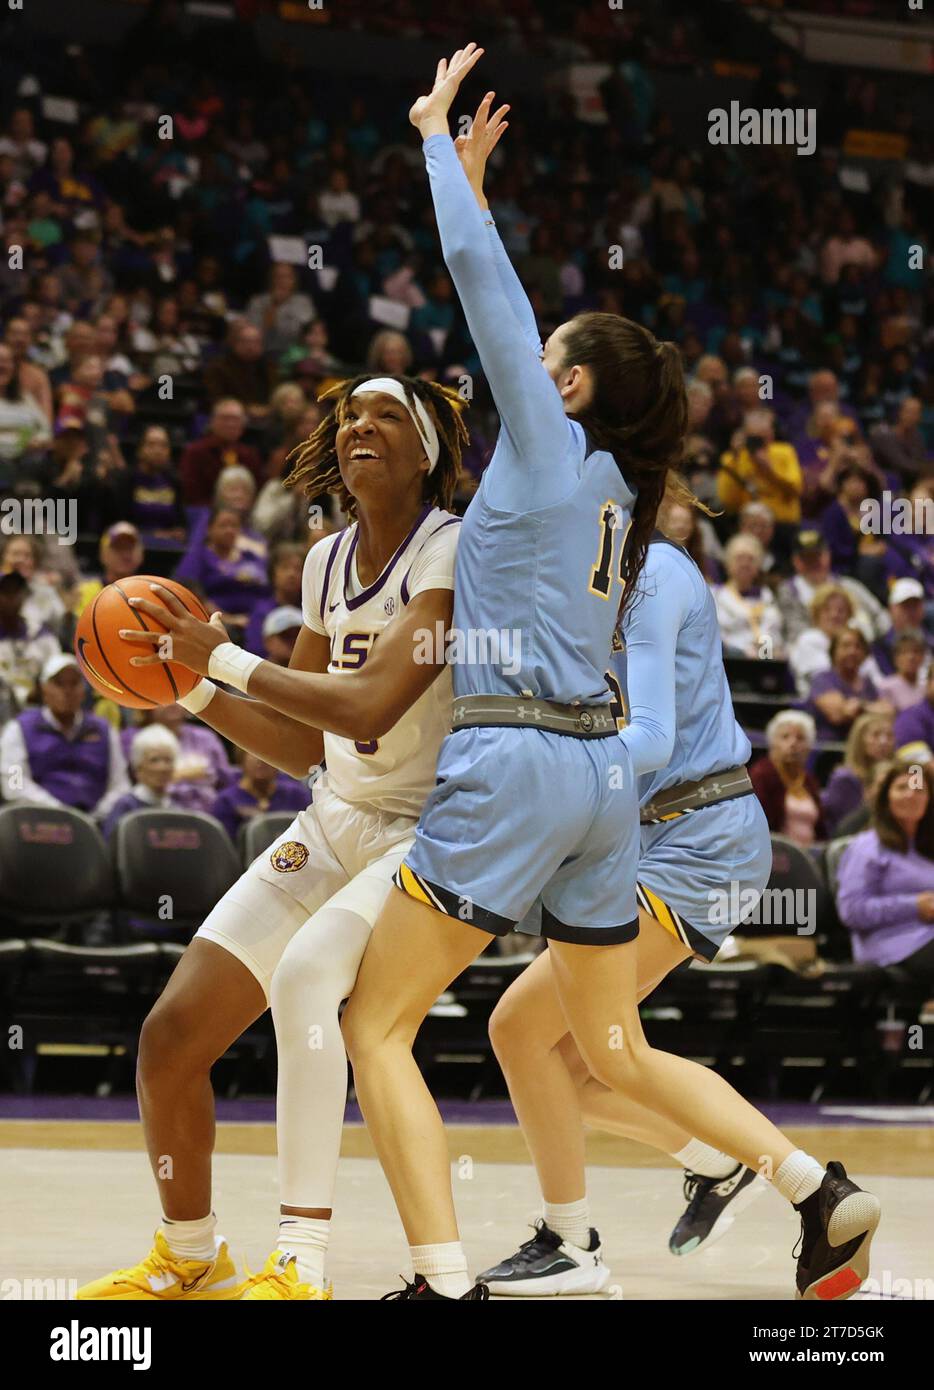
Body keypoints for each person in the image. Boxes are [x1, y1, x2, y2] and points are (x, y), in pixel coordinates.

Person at [349, 59, 873, 1301]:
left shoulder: (549, 446)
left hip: (532, 756)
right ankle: (779, 1198)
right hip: (597, 777)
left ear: (569, 386)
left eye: (546, 358)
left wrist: (435, 145)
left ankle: (438, 1279)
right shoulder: (626, 497)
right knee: (601, 1040)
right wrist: (468, 181)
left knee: (371, 1022)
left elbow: (481, 286)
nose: (528, 364)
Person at [76, 368, 469, 1302]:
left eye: (386, 415)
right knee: (170, 1037)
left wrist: (226, 656)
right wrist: (195, 687)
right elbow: (303, 743)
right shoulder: (326, 560)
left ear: (428, 453)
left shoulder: (453, 552)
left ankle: (300, 1260)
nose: (358, 427)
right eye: (348, 416)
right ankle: (190, 1253)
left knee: (307, 986)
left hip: (423, 832)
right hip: (335, 815)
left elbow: (373, 698)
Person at [479, 525, 774, 1294]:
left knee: (521, 1030)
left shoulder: (655, 575)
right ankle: (714, 1159)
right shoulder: (576, 601)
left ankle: (802, 1180)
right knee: (567, 1067)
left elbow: (648, 740)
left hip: (700, 831)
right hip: (653, 839)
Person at [836, 762, 934, 979]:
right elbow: (851, 910)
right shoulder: (867, 847)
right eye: (901, 787)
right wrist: (914, 906)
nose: (911, 795)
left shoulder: (927, 847)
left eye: (919, 789)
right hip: (890, 945)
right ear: (886, 797)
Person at [0, 653, 129, 813]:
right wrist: (58, 811)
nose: (67, 691)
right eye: (59, 684)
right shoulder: (18, 728)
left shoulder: (104, 730)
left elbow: (120, 785)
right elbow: (14, 784)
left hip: (96, 823)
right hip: (39, 821)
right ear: (43, 689)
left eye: (74, 683)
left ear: (83, 690)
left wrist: (99, 814)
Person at [749, 710, 826, 847]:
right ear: (772, 742)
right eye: (785, 737)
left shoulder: (808, 780)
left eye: (800, 738)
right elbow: (758, 825)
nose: (793, 743)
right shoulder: (761, 774)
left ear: (809, 747)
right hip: (774, 854)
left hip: (808, 855)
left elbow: (820, 829)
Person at [805, 627, 891, 742]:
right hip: (831, 749)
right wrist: (870, 709)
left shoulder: (867, 682)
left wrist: (860, 707)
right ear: (834, 651)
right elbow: (837, 714)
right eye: (846, 646)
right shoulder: (823, 679)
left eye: (858, 647)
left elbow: (888, 712)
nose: (852, 651)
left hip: (862, 748)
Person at [100, 724, 181, 838]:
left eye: (168, 760)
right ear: (138, 768)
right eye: (154, 760)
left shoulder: (176, 808)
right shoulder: (126, 806)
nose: (162, 768)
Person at [178, 398, 264, 505]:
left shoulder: (250, 455)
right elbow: (191, 494)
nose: (230, 424)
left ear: (243, 425)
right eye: (225, 418)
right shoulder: (195, 452)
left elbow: (258, 492)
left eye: (236, 419)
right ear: (212, 422)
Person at [821, 713, 895, 838]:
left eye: (889, 736)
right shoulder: (844, 779)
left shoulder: (898, 777)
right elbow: (846, 828)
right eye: (876, 735)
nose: (884, 742)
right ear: (859, 740)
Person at [210, 751, 308, 843]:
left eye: (268, 752)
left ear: (279, 761)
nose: (261, 759)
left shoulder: (296, 795)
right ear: (241, 759)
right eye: (253, 752)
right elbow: (223, 851)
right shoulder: (226, 801)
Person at [713, 534, 784, 659]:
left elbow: (773, 630)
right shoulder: (716, 595)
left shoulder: (767, 597)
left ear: (758, 566)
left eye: (751, 559)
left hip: (764, 661)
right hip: (730, 661)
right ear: (728, 564)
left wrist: (763, 653)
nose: (745, 564)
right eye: (739, 558)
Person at [876, 632, 929, 714]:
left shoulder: (927, 686)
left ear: (923, 656)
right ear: (895, 658)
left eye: (916, 651)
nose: (911, 657)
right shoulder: (886, 686)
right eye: (904, 652)